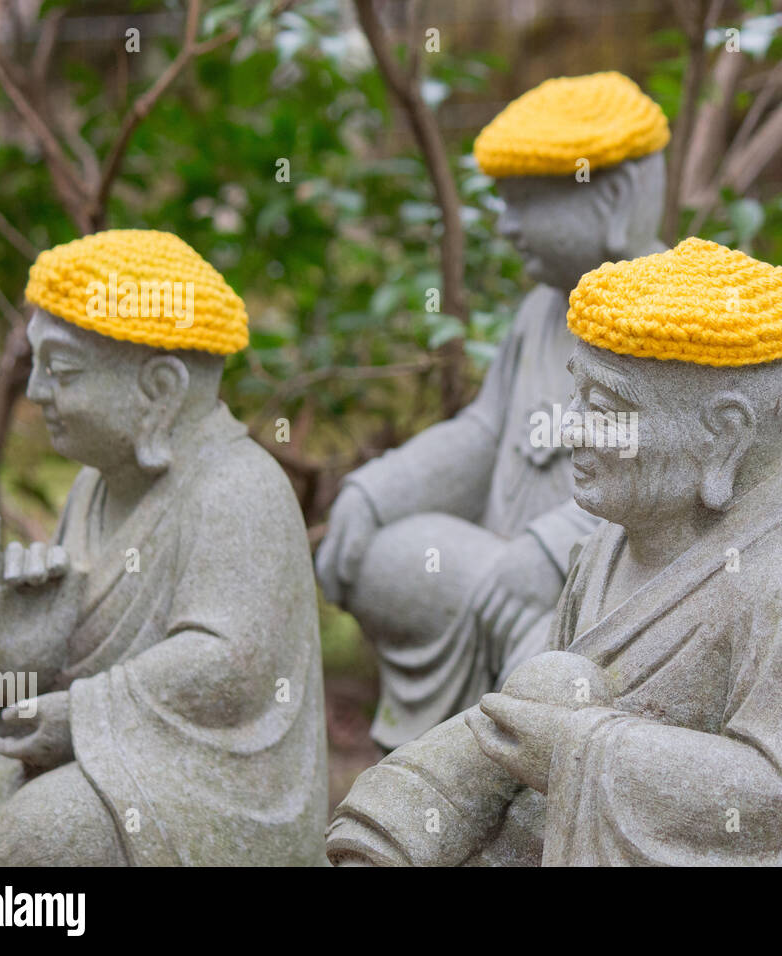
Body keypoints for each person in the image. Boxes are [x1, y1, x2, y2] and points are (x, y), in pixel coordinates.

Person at [327, 238, 782, 865]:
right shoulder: (611, 544)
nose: (570, 430)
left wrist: (578, 750)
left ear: (724, 434)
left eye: (605, 409)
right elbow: (528, 712)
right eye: (576, 398)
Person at [0, 230, 327, 866]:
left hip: (213, 790)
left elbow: (231, 666)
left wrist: (83, 716)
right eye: (34, 365)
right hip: (104, 761)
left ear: (160, 390)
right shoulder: (92, 486)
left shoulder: (237, 486)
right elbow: (54, 680)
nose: (34, 391)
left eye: (60, 371)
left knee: (45, 835)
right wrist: (10, 653)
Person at [315, 72, 669, 748]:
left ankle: (512, 747)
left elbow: (661, 481)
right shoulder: (542, 310)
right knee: (382, 554)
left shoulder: (668, 316)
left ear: (616, 196)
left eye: (526, 203)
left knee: (548, 662)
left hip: (605, 595)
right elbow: (483, 431)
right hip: (497, 569)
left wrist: (550, 550)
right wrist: (380, 489)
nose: (505, 227)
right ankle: (476, 727)